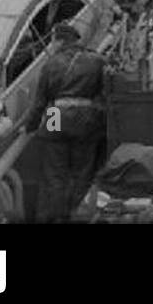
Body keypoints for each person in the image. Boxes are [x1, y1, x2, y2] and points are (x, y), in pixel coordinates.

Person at [25, 23, 106, 223]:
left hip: (55, 114)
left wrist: (30, 127)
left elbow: (40, 103)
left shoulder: (51, 64)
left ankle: (52, 218)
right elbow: (105, 94)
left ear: (60, 41)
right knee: (82, 171)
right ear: (76, 40)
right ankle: (76, 215)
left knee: (53, 172)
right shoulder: (97, 61)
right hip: (86, 118)